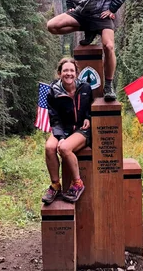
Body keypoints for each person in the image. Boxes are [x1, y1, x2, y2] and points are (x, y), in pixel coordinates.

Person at [42, 58, 92, 205]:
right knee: (50, 147)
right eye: (65, 71)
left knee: (64, 148)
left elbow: (91, 106)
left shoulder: (85, 88)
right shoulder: (53, 91)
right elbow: (54, 118)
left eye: (71, 71)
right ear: (59, 73)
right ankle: (55, 185)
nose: (68, 74)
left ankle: (78, 183)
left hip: (82, 130)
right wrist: (61, 136)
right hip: (62, 128)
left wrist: (88, 117)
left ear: (76, 73)